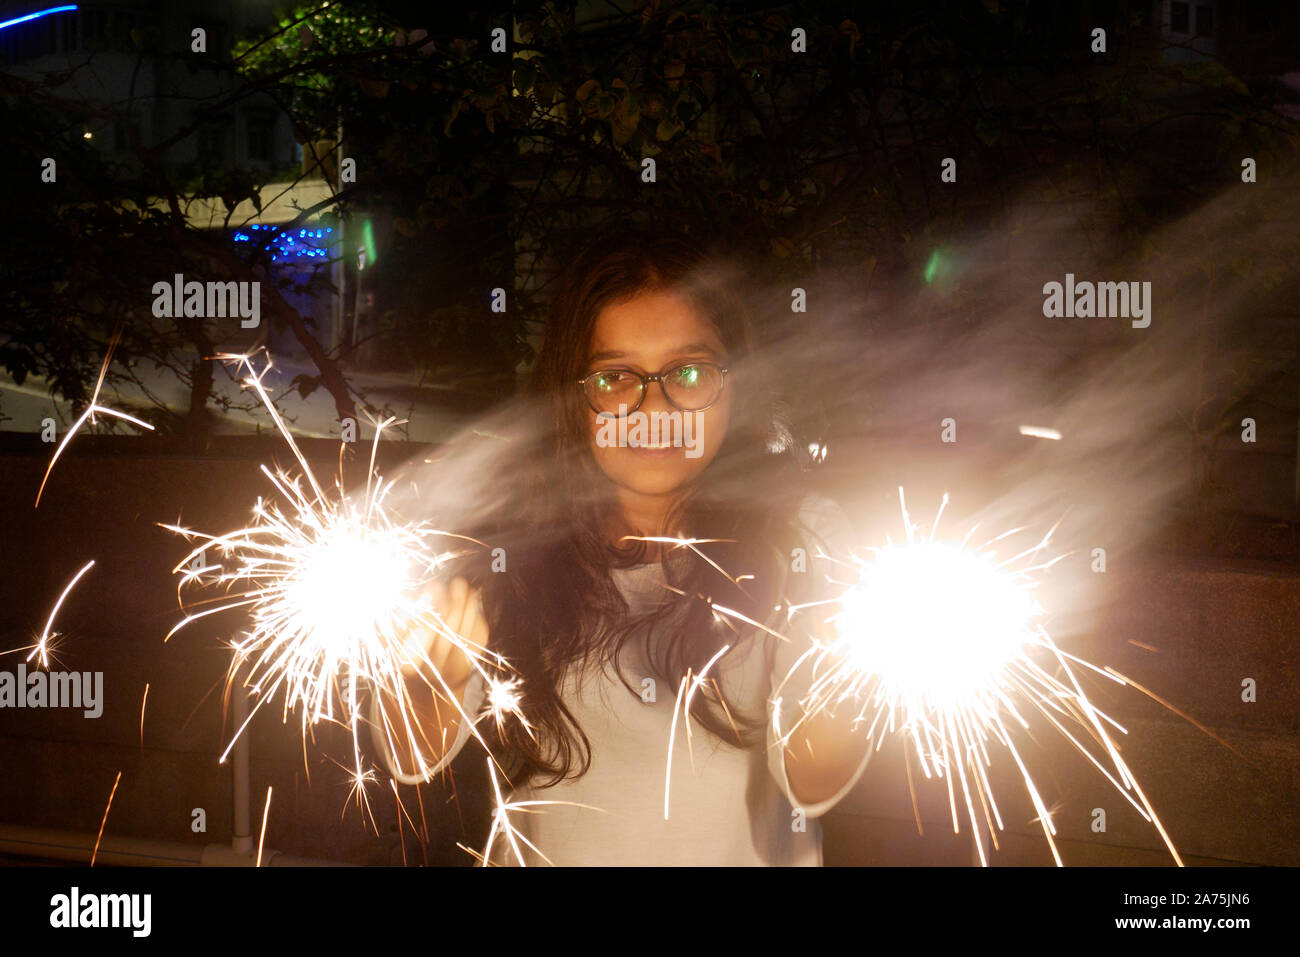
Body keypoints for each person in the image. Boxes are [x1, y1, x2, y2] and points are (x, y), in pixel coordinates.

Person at [369, 226, 873, 865]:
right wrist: (421, 684)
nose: (654, 407)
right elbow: (414, 758)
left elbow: (814, 783)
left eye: (687, 372)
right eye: (615, 378)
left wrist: (847, 680)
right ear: (572, 396)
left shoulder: (804, 535)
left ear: (735, 381)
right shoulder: (505, 545)